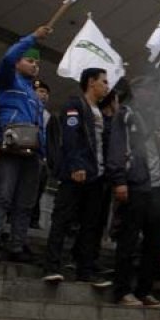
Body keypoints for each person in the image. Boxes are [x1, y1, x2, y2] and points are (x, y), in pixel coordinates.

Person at [0, 26, 51, 262]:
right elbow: (8, 56)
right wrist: (32, 37)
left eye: (37, 63)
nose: (34, 65)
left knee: (25, 202)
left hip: (32, 153)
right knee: (3, 195)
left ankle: (16, 244)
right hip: (11, 148)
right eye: (29, 60)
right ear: (18, 63)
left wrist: (43, 153)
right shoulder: (8, 80)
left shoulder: (34, 95)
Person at [105, 77, 160, 308]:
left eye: (152, 89)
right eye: (145, 89)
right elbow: (117, 147)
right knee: (129, 240)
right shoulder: (126, 114)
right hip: (135, 185)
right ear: (136, 91)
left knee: (156, 242)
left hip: (156, 187)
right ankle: (122, 291)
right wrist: (119, 180)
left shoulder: (156, 118)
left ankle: (144, 290)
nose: (150, 94)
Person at [42, 68, 109, 284]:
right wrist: (77, 165)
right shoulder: (75, 105)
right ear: (91, 82)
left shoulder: (100, 111)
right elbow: (71, 138)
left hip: (96, 177)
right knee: (62, 219)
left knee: (90, 224)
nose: (107, 86)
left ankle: (85, 271)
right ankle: (51, 266)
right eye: (104, 82)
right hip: (76, 174)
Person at [31, 79, 61, 230]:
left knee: (38, 191)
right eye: (41, 91)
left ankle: (34, 220)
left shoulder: (49, 116)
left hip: (42, 159)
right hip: (28, 155)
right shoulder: (28, 109)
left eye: (46, 93)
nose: (44, 95)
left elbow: (53, 141)